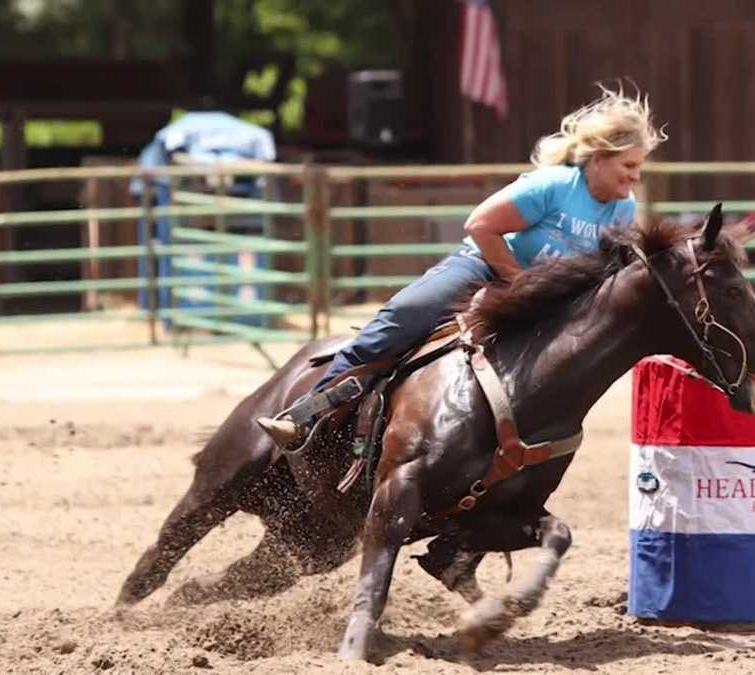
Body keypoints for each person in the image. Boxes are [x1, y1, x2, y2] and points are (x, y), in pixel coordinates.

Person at [257, 86, 667, 449]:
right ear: (598, 159)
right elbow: (481, 226)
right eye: (628, 166)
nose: (634, 177)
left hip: (547, 297)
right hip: (484, 268)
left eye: (638, 168)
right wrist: (516, 279)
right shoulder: (553, 186)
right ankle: (306, 413)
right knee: (406, 314)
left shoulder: (622, 208)